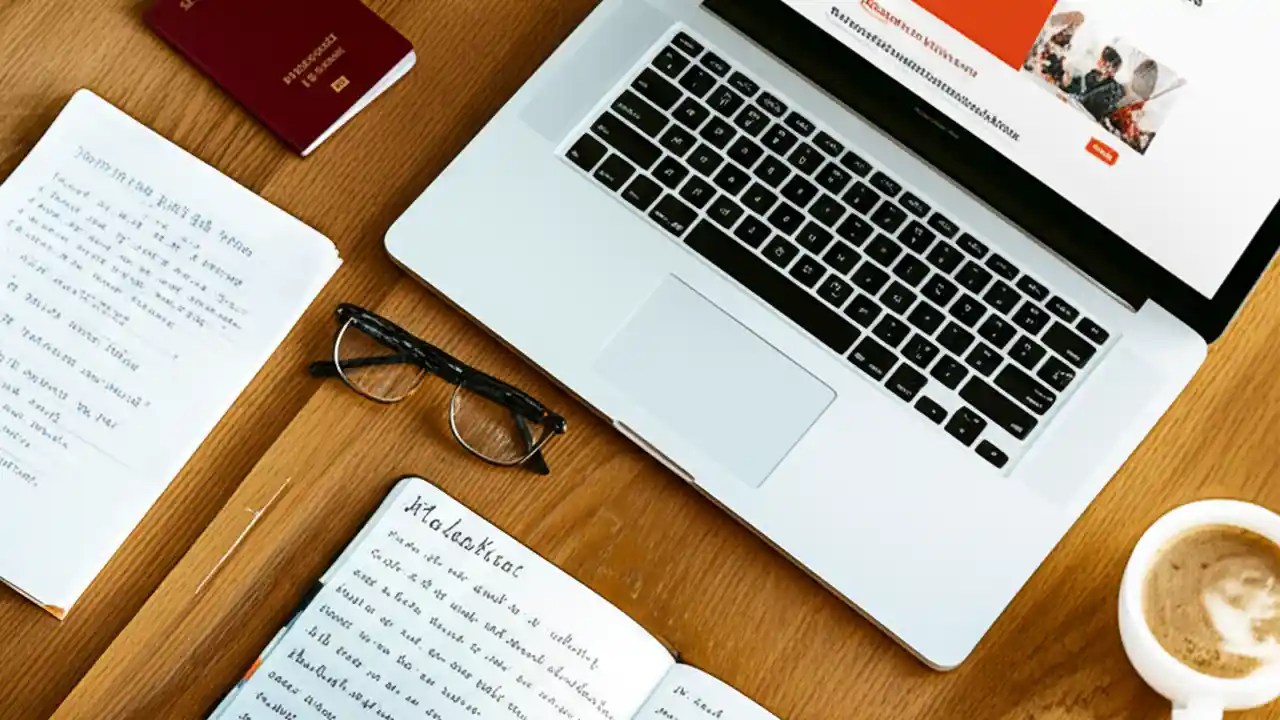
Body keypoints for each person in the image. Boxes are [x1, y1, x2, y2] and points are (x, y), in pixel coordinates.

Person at [1065, 46, 1126, 119]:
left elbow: (1087, 101)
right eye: (1101, 59)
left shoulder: (1113, 88)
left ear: (1111, 68)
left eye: (1103, 61)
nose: (1099, 62)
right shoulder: (1092, 75)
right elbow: (1079, 91)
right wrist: (1068, 84)